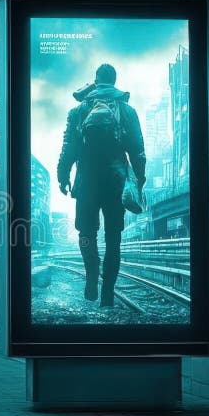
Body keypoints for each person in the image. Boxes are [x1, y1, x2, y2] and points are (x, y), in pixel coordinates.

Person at [57, 63, 146, 308]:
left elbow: (69, 148)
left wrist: (62, 174)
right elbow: (138, 151)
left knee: (86, 234)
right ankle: (107, 293)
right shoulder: (127, 111)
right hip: (115, 184)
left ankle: (91, 273)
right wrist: (139, 180)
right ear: (114, 81)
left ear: (95, 81)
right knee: (113, 238)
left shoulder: (78, 111)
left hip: (86, 182)